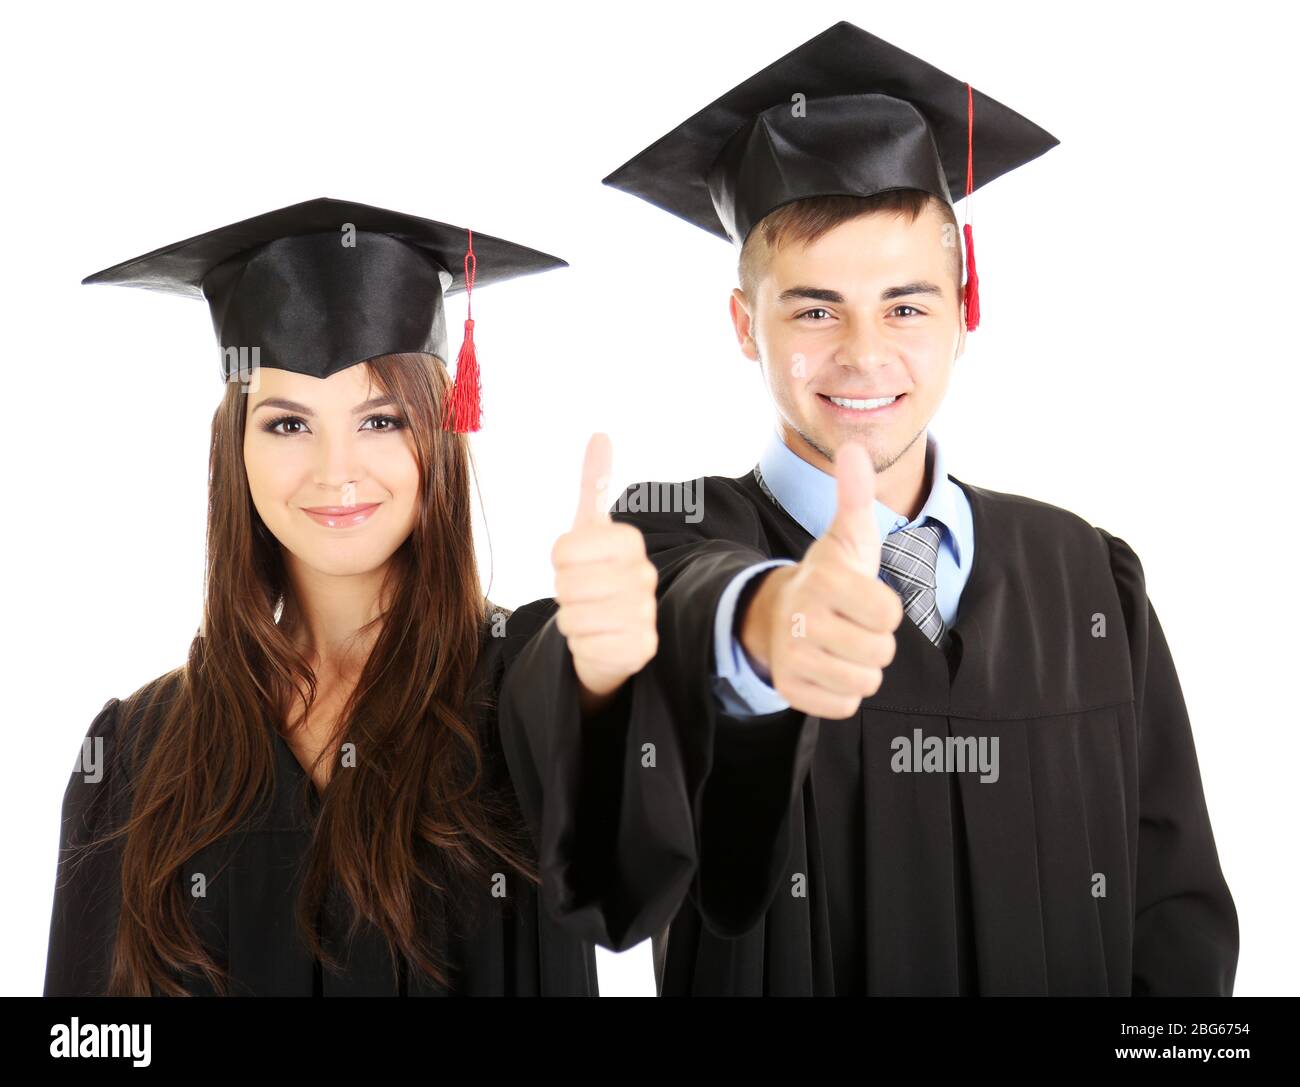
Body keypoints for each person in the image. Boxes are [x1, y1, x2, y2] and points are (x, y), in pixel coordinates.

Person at [596, 21, 1239, 995]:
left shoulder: (1087, 575)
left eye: (906, 305)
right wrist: (765, 625)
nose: (863, 353)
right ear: (743, 324)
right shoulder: (671, 541)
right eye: (813, 309)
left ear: (962, 309)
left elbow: (1172, 907)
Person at [43, 197, 667, 996]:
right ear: (234, 449)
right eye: (287, 425)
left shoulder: (529, 694)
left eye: (379, 420)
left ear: (438, 434)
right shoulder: (137, 752)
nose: (337, 470)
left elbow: (636, 881)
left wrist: (613, 679)